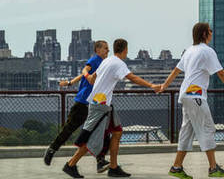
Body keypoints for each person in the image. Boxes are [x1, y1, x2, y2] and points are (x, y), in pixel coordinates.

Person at [63, 38, 160, 179]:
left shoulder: (106, 61)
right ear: (125, 49)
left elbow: (93, 78)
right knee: (91, 138)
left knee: (117, 132)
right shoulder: (118, 63)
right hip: (100, 106)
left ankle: (113, 168)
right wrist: (151, 86)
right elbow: (132, 78)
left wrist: (88, 77)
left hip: (104, 104)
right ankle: (70, 165)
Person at [158, 22, 224, 179]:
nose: (212, 33)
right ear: (204, 34)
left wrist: (164, 85)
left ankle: (176, 167)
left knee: (187, 131)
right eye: (210, 31)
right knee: (208, 128)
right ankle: (213, 168)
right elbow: (221, 73)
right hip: (195, 96)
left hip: (185, 95)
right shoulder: (207, 51)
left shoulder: (189, 51)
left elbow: (176, 70)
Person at [45, 41, 110, 171]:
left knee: (100, 132)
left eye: (108, 49)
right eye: (105, 49)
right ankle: (52, 149)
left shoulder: (103, 63)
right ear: (98, 50)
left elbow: (81, 75)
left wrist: (70, 82)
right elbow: (85, 70)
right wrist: (89, 76)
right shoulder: (95, 60)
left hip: (95, 105)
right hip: (82, 103)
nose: (108, 51)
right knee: (69, 129)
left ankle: (100, 161)